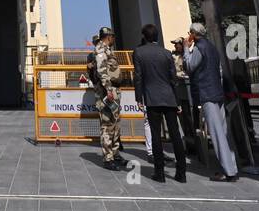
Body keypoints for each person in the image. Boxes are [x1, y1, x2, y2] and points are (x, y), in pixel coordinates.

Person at [184, 21, 239, 182]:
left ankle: (228, 171)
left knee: (216, 133)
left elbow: (189, 66)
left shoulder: (200, 48)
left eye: (190, 33)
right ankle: (232, 167)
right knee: (224, 131)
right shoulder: (212, 47)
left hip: (207, 93)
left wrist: (187, 49)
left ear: (193, 34)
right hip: (217, 91)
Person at [132, 24, 187, 183]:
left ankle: (160, 172)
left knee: (155, 135)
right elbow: (173, 79)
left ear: (144, 36)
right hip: (169, 97)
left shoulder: (139, 52)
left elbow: (138, 76)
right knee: (175, 135)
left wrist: (139, 97)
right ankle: (181, 173)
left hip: (152, 98)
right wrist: (177, 101)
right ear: (157, 37)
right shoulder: (167, 53)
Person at [89, 26, 126, 170]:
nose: (113, 39)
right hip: (106, 92)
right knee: (107, 124)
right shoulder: (100, 49)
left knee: (115, 123)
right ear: (109, 36)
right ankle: (108, 158)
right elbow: (101, 71)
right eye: (113, 37)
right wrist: (109, 89)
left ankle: (115, 153)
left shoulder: (108, 49)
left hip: (113, 91)